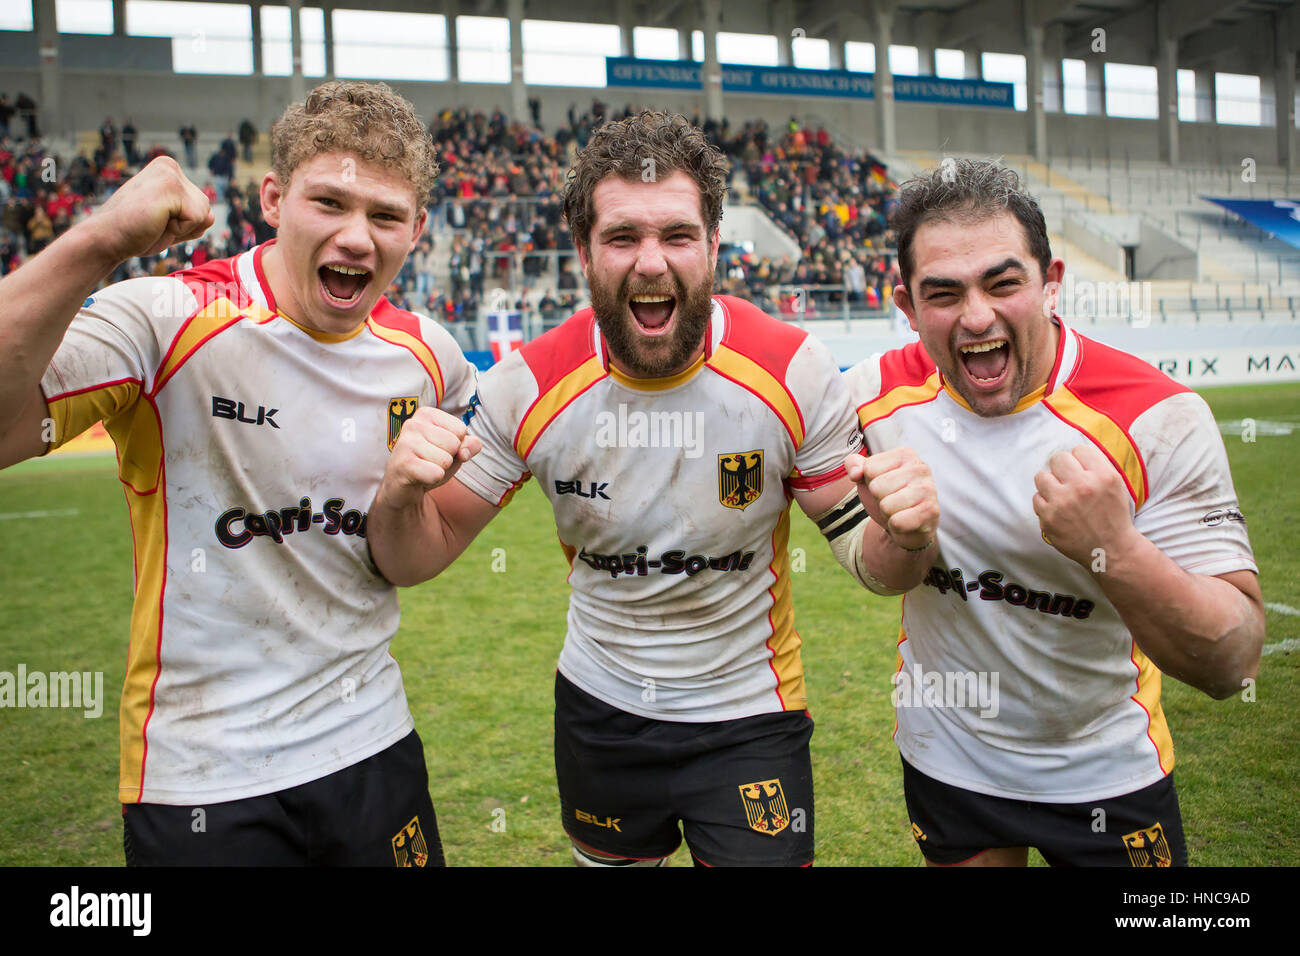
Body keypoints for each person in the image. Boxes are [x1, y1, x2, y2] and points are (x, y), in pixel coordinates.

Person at [367, 110, 940, 867]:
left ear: (711, 246)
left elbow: (871, 568)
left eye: (676, 235)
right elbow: (415, 557)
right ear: (583, 252)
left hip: (748, 715)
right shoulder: (525, 388)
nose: (651, 263)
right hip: (600, 714)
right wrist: (399, 496)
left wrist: (908, 537)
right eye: (622, 237)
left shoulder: (793, 372)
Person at [0, 80, 477, 866]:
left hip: (372, 744)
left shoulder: (432, 358)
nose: (358, 238)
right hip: (202, 778)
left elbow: (422, 532)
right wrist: (100, 241)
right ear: (272, 198)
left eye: (385, 216)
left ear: (418, 229)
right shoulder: (168, 319)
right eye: (329, 203)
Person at [844, 158, 1264, 867]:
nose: (976, 316)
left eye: (1003, 283)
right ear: (908, 308)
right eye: (943, 294)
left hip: (1106, 771)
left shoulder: (1156, 415)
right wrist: (900, 538)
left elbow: (1234, 661)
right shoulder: (868, 402)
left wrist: (1115, 549)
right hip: (949, 760)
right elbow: (876, 571)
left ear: (1052, 283)